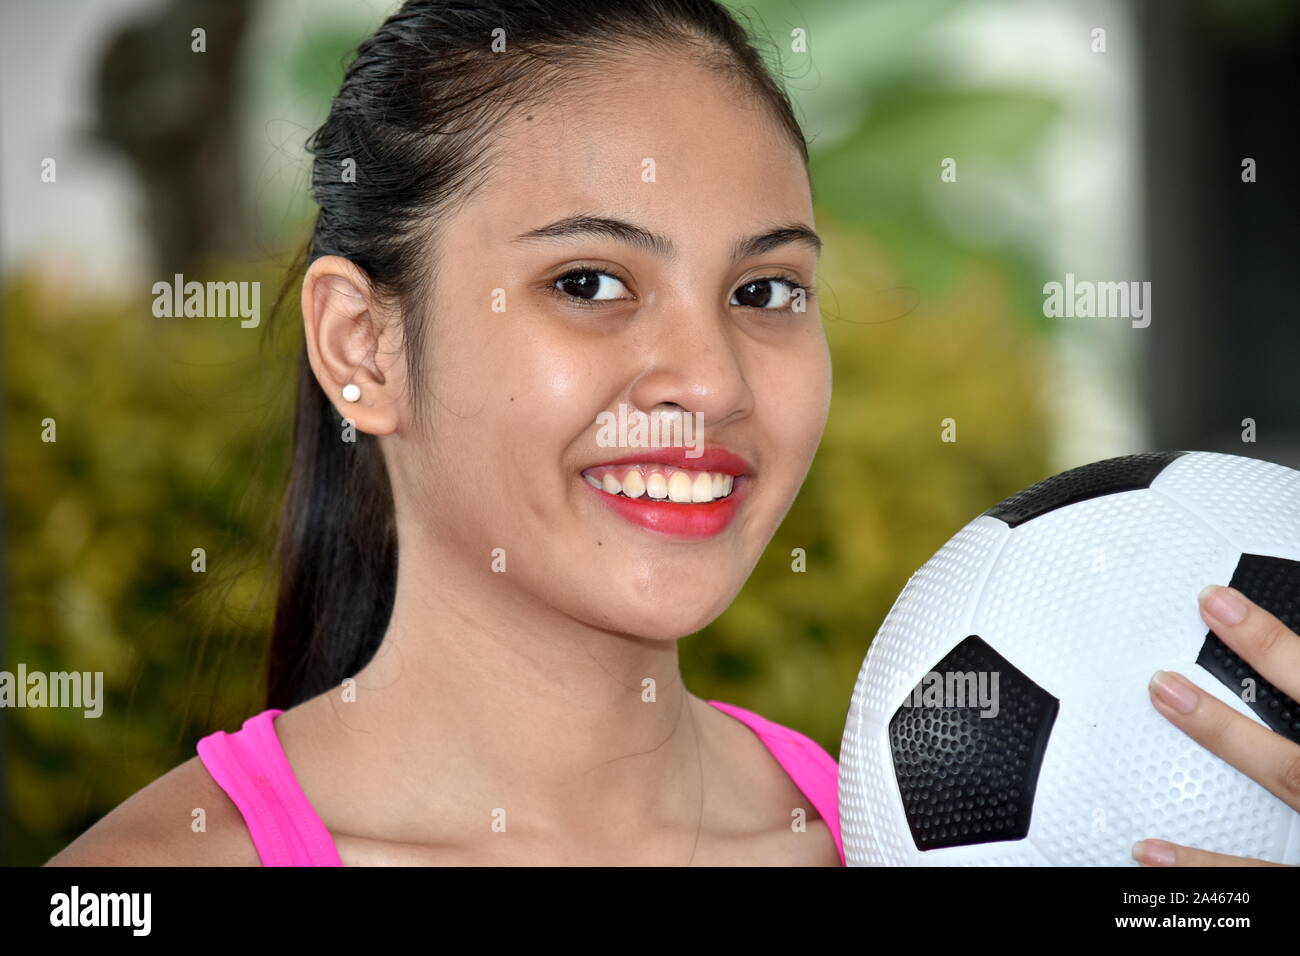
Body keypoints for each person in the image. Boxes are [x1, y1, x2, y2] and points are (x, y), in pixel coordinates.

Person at [48, 0, 844, 866]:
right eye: (587, 283)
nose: (712, 384)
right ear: (363, 345)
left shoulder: (898, 834)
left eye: (765, 291)